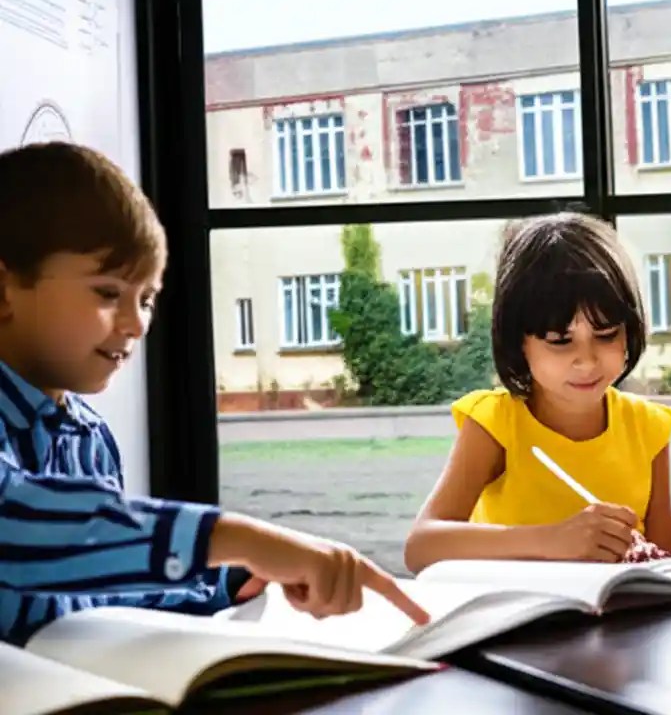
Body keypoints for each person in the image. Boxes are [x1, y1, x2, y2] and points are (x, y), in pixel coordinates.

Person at [0, 142, 428, 646]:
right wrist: (238, 538)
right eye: (108, 293)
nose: (137, 323)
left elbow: (103, 587)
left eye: (147, 299)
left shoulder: (90, 438)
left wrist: (231, 578)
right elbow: (18, 525)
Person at [404, 213, 671, 571]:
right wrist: (551, 540)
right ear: (518, 342)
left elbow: (668, 567)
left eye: (607, 335)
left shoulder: (647, 427)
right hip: (516, 606)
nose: (587, 361)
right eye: (560, 341)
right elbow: (421, 547)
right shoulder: (496, 424)